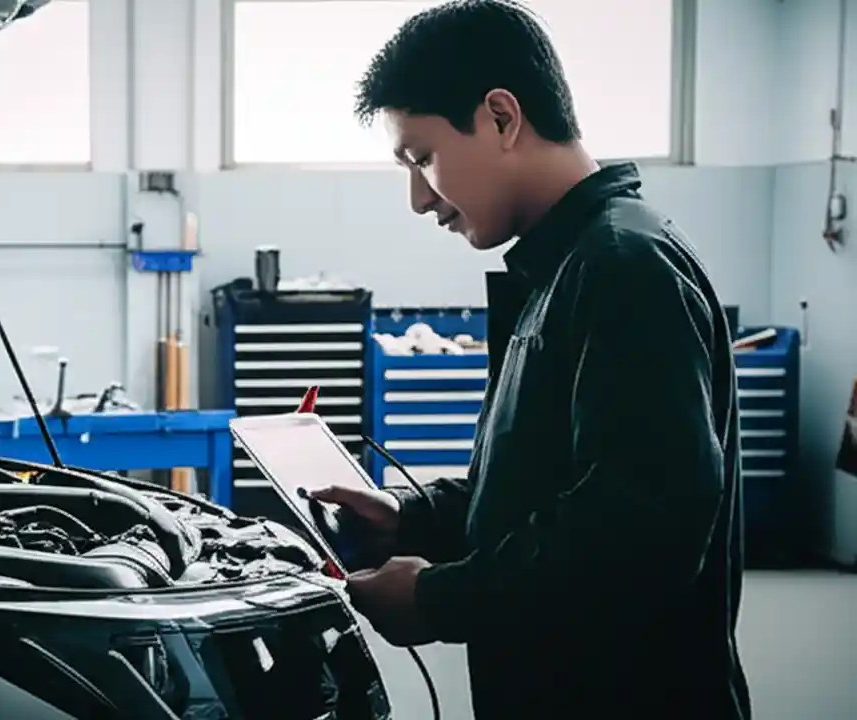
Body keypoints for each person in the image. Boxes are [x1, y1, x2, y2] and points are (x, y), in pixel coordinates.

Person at [310, 2, 752, 718]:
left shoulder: (623, 267)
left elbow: (641, 533)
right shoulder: (569, 268)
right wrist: (411, 519)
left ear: (502, 117)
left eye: (422, 158)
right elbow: (554, 490)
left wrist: (438, 598)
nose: (420, 199)